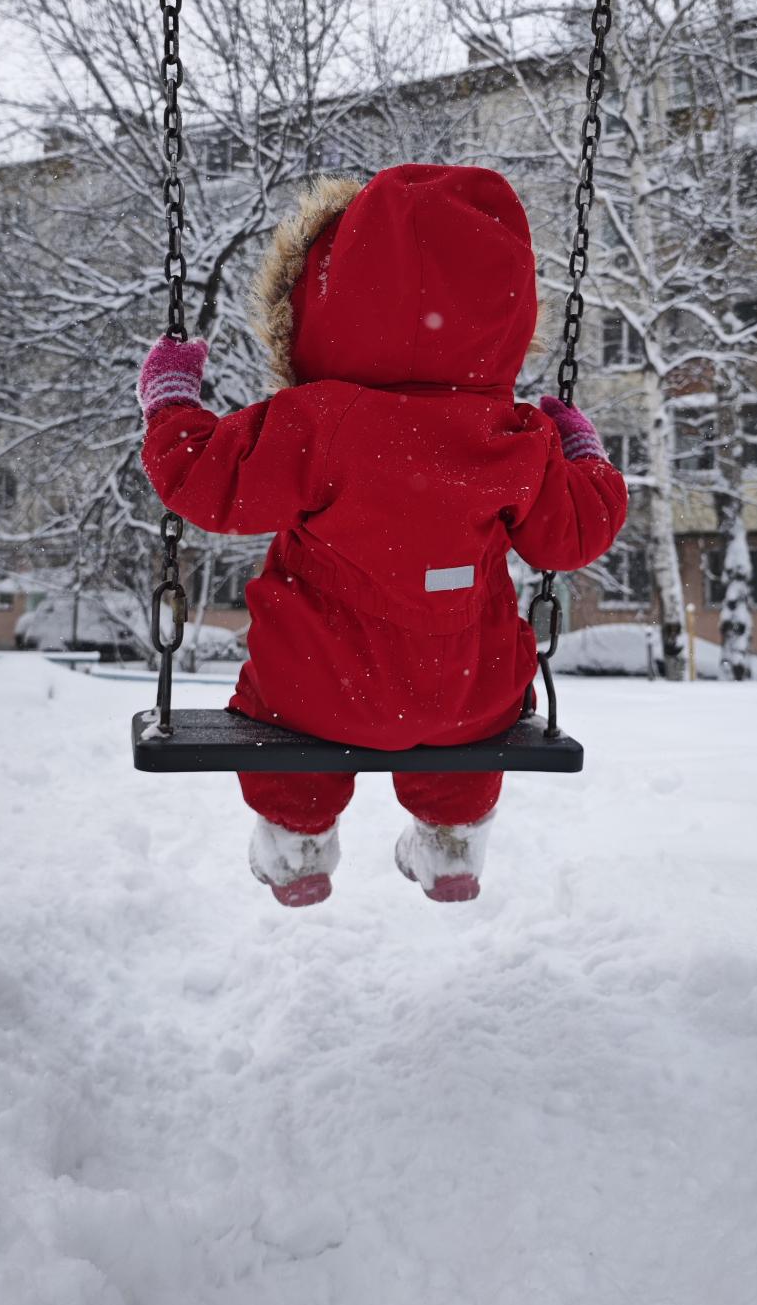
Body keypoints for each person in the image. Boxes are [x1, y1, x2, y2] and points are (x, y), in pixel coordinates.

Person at [137, 164, 628, 908]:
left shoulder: (319, 420)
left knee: (282, 710)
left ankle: (297, 844)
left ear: (325, 306)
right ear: (506, 314)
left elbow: (205, 482)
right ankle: (451, 841)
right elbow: (576, 536)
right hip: (468, 694)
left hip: (318, 689)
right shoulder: (513, 437)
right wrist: (580, 447)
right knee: (468, 722)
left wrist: (172, 400)